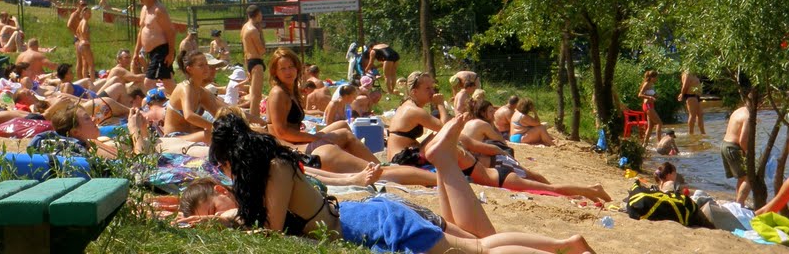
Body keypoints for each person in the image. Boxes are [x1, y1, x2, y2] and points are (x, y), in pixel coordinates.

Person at [184, 110, 597, 254]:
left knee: (478, 250)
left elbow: (270, 230)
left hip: (372, 223)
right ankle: (567, 246)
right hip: (371, 215)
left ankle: (565, 248)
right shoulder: (276, 162)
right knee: (479, 244)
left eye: (227, 167)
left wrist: (221, 220)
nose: (230, 176)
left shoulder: (273, 168)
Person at [164, 50, 224, 141]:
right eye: (201, 65)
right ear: (189, 69)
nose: (206, 68)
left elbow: (226, 110)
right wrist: (214, 127)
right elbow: (189, 116)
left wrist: (252, 120)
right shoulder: (185, 88)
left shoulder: (201, 92)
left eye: (206, 64)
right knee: (211, 134)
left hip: (189, 135)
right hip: (174, 137)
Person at [132, 0, 176, 94]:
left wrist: (170, 53)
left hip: (161, 51)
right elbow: (141, 32)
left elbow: (170, 32)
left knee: (148, 82)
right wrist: (136, 52)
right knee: (168, 82)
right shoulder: (144, 9)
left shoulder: (158, 10)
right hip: (151, 52)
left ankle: (152, 105)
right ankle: (182, 102)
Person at [240, 4, 266, 121]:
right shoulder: (254, 30)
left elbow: (245, 50)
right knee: (256, 95)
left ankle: (253, 117)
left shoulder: (244, 27)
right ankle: (254, 119)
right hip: (256, 61)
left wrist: (247, 68)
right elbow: (261, 50)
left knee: (254, 94)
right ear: (258, 14)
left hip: (249, 60)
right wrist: (261, 33)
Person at [722, 104, 751, 205]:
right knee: (749, 178)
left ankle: (738, 203)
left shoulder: (738, 111)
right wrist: (748, 153)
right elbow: (742, 140)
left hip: (725, 144)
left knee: (742, 177)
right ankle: (740, 204)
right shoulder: (748, 116)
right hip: (733, 147)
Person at [637, 70, 662, 146]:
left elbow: (650, 94)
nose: (657, 79)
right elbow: (640, 94)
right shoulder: (647, 83)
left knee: (650, 126)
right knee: (659, 123)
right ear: (651, 77)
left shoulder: (651, 84)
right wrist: (649, 97)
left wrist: (655, 96)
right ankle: (660, 143)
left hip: (651, 105)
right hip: (647, 105)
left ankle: (644, 144)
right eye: (656, 77)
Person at [677, 70, 705, 135]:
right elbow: (685, 85)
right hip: (691, 96)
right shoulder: (687, 73)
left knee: (700, 114)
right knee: (692, 115)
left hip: (697, 96)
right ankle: (691, 133)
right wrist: (682, 94)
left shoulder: (693, 73)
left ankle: (703, 133)